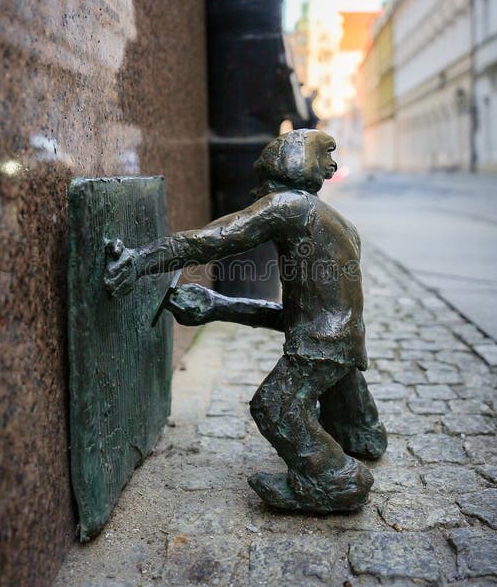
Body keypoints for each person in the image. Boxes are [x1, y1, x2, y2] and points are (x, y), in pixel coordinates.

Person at [104, 129, 387, 512]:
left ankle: (334, 480)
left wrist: (141, 260)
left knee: (275, 407)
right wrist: (217, 305)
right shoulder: (336, 222)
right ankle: (359, 430)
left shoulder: (288, 205)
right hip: (341, 341)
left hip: (324, 344)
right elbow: (299, 318)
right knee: (335, 377)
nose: (259, 197)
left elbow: (216, 238)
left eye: (262, 187)